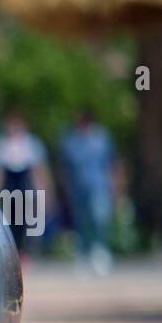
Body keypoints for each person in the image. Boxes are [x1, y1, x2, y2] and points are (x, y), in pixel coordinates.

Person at [0, 111, 53, 259]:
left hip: (24, 186)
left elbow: (38, 171)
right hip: (6, 187)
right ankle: (8, 251)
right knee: (6, 220)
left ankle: (22, 251)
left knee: (24, 221)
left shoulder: (32, 144)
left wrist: (45, 194)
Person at [58, 110, 116, 275]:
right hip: (78, 188)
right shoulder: (70, 140)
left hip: (99, 186)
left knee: (99, 218)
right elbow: (65, 168)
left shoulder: (101, 137)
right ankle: (83, 254)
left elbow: (111, 163)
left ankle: (100, 251)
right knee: (81, 221)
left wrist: (115, 185)